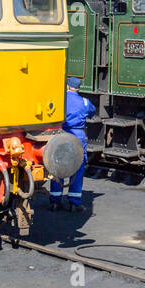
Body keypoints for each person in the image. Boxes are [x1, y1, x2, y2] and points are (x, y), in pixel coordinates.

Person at [50, 76, 95, 212]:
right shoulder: (85, 102)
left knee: (57, 166)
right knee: (77, 167)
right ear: (78, 88)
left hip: (61, 134)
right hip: (78, 137)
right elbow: (92, 113)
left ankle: (55, 202)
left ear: (67, 87)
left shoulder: (60, 99)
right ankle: (74, 203)